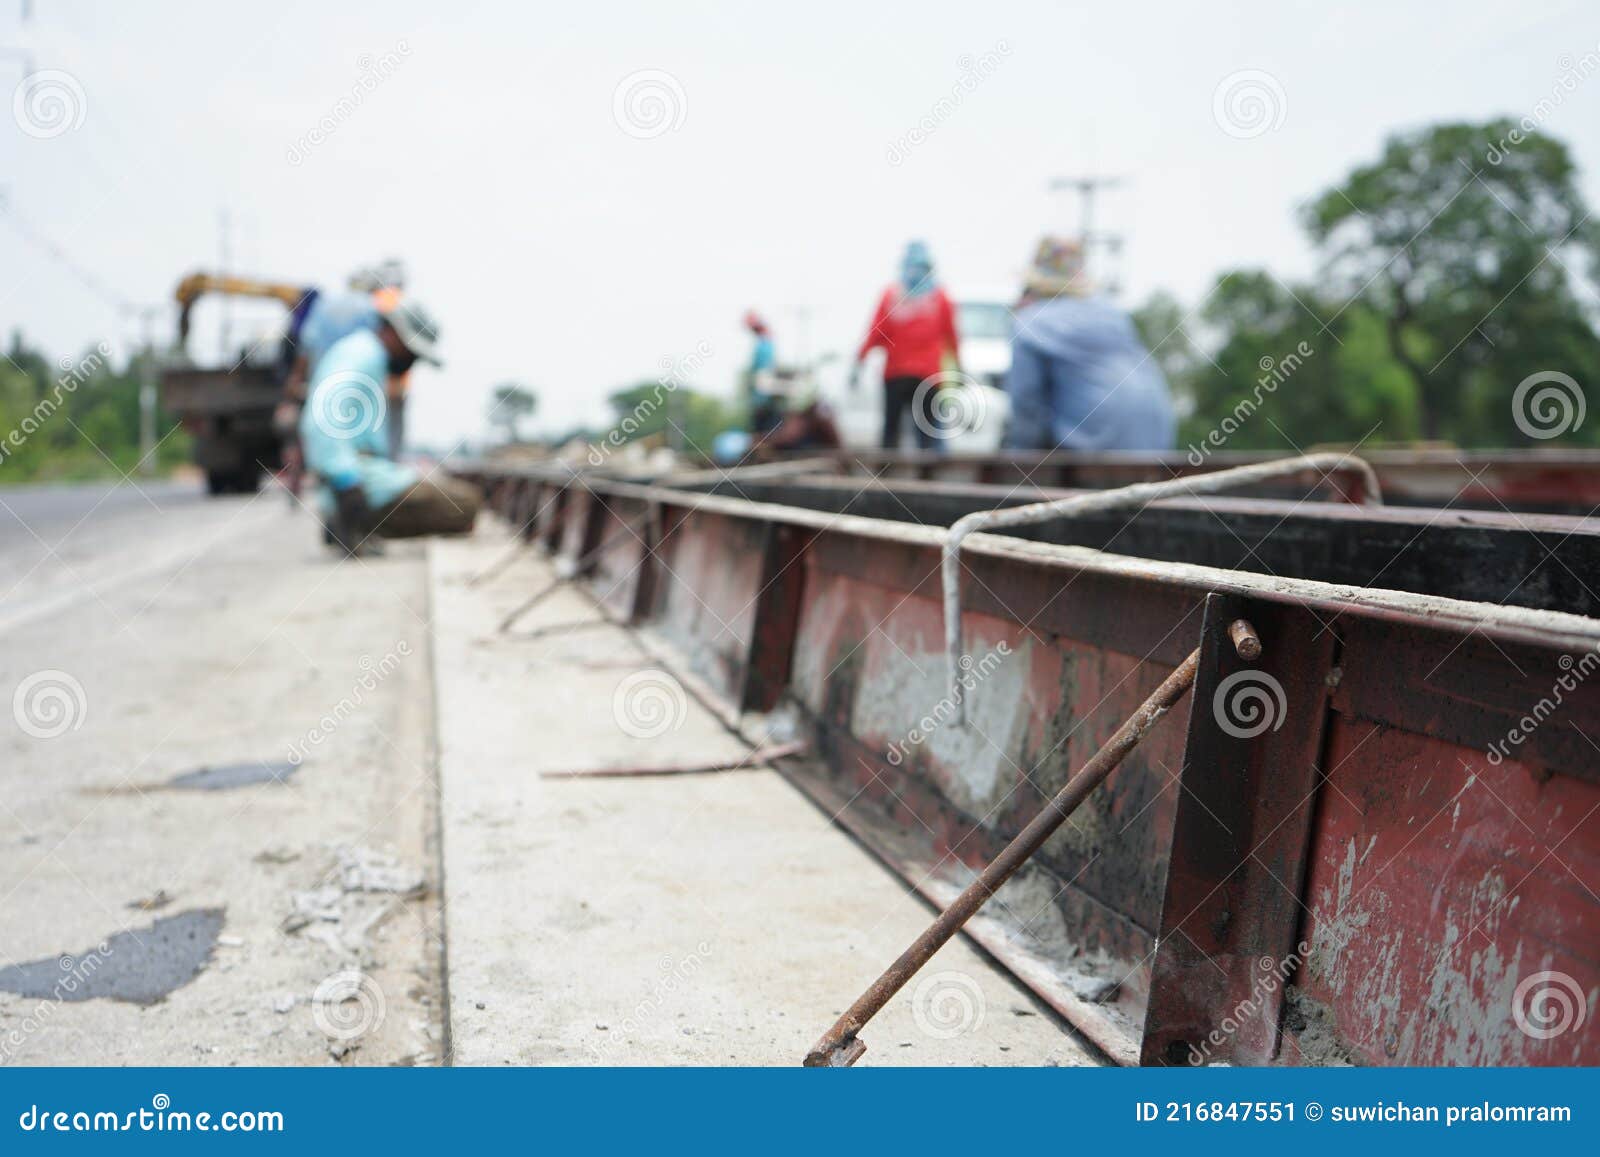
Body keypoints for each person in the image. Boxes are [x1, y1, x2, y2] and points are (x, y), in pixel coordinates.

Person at [299, 300, 480, 555]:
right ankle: (354, 521)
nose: (411, 361)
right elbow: (322, 416)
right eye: (412, 353)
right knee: (465, 504)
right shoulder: (364, 356)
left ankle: (352, 523)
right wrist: (347, 482)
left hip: (357, 482)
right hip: (359, 484)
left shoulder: (359, 352)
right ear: (396, 334)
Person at [1003, 237, 1176, 451]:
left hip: (1096, 447)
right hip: (1156, 442)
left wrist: (1020, 459)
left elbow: (1026, 404)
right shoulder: (1113, 314)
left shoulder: (1030, 322)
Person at [849, 240, 962, 450]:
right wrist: (960, 367)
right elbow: (952, 338)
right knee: (926, 434)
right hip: (925, 376)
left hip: (898, 375)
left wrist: (859, 362)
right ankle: (926, 477)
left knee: (891, 432)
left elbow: (875, 334)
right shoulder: (939, 298)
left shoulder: (891, 297)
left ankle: (887, 475)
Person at [742, 311, 783, 436]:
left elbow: (764, 370)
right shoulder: (762, 344)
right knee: (762, 421)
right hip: (761, 392)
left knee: (767, 420)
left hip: (765, 392)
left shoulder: (765, 344)